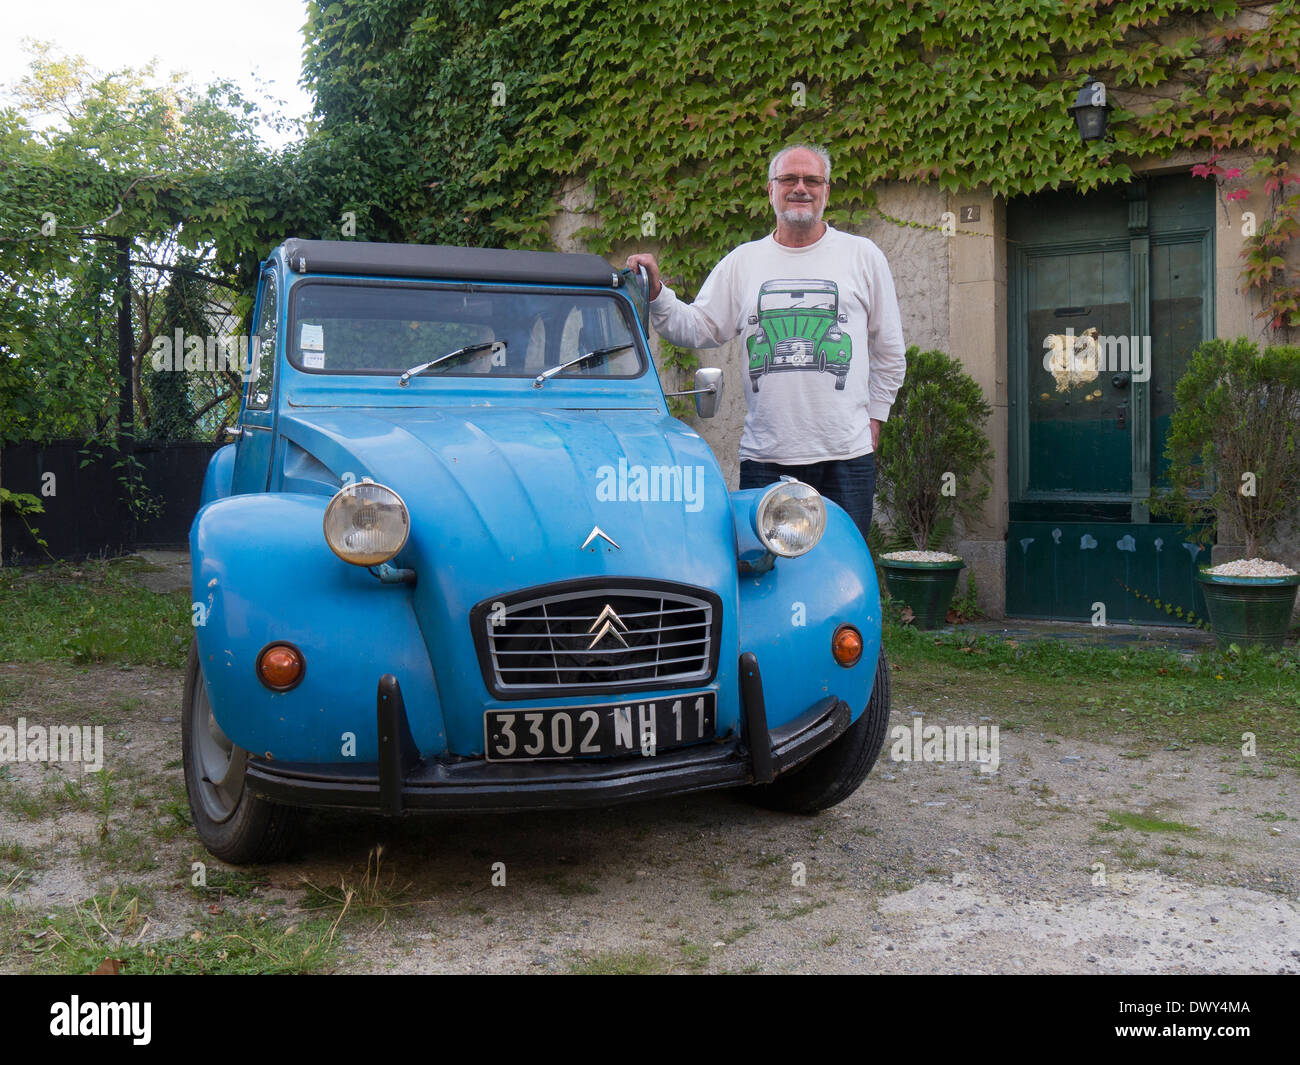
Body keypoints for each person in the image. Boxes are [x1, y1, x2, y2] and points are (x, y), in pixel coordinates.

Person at [627, 143, 906, 540]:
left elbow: (890, 349)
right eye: (789, 179)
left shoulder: (862, 256)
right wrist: (657, 292)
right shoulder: (744, 261)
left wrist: (876, 414)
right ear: (770, 190)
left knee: (844, 566)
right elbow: (699, 327)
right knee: (767, 570)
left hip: (846, 454)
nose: (801, 188)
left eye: (812, 180)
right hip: (767, 455)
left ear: (826, 191)